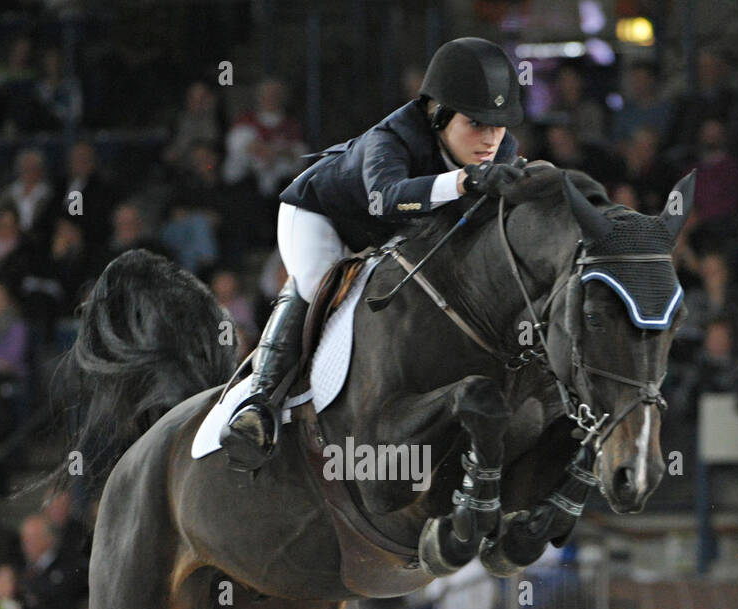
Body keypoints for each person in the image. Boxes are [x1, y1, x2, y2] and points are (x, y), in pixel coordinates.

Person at [219, 37, 525, 471]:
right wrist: (460, 182)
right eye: (477, 124)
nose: (491, 139)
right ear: (438, 114)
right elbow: (384, 198)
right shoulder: (394, 136)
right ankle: (258, 404)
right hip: (323, 216)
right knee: (314, 283)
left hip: (393, 238)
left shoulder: (499, 150)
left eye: (500, 125)